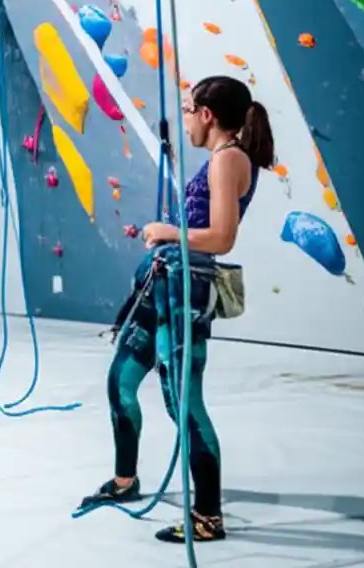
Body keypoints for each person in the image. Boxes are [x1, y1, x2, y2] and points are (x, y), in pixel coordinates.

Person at [80, 75, 274, 544]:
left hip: (184, 292)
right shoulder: (218, 159)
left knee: (182, 402)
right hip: (163, 284)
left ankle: (208, 516)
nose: (185, 118)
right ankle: (125, 482)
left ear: (207, 114)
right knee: (120, 382)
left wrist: (167, 231)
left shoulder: (229, 161)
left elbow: (222, 238)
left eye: (189, 110)